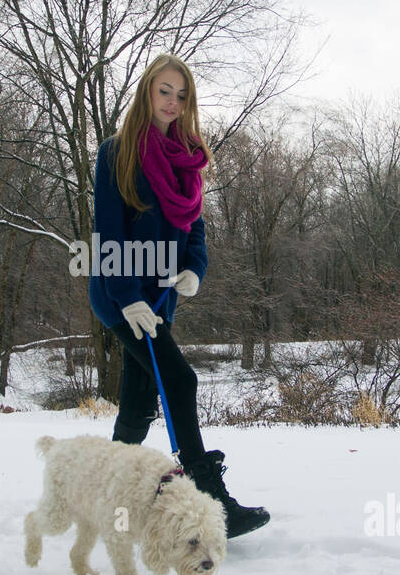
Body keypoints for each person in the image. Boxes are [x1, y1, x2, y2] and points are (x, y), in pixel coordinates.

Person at [88, 53, 270, 538]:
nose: (172, 101)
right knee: (180, 382)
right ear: (147, 90)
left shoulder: (188, 157)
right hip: (123, 296)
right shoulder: (117, 152)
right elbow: (108, 234)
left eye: (181, 94)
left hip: (161, 298)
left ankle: (112, 499)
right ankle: (214, 502)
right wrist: (127, 295)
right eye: (164, 90)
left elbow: (196, 227)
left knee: (138, 402)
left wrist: (194, 268)